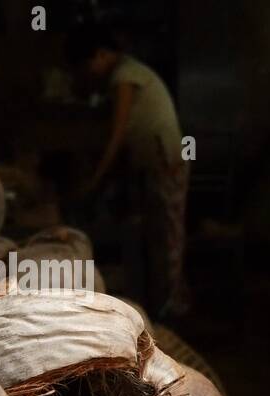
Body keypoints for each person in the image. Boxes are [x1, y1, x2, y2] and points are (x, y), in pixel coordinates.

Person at [67, 26, 190, 319]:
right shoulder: (128, 72)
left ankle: (172, 307)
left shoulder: (124, 76)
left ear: (100, 55)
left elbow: (117, 134)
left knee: (167, 235)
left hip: (165, 161)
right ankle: (164, 304)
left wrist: (96, 181)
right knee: (159, 235)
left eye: (88, 65)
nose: (90, 73)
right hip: (156, 162)